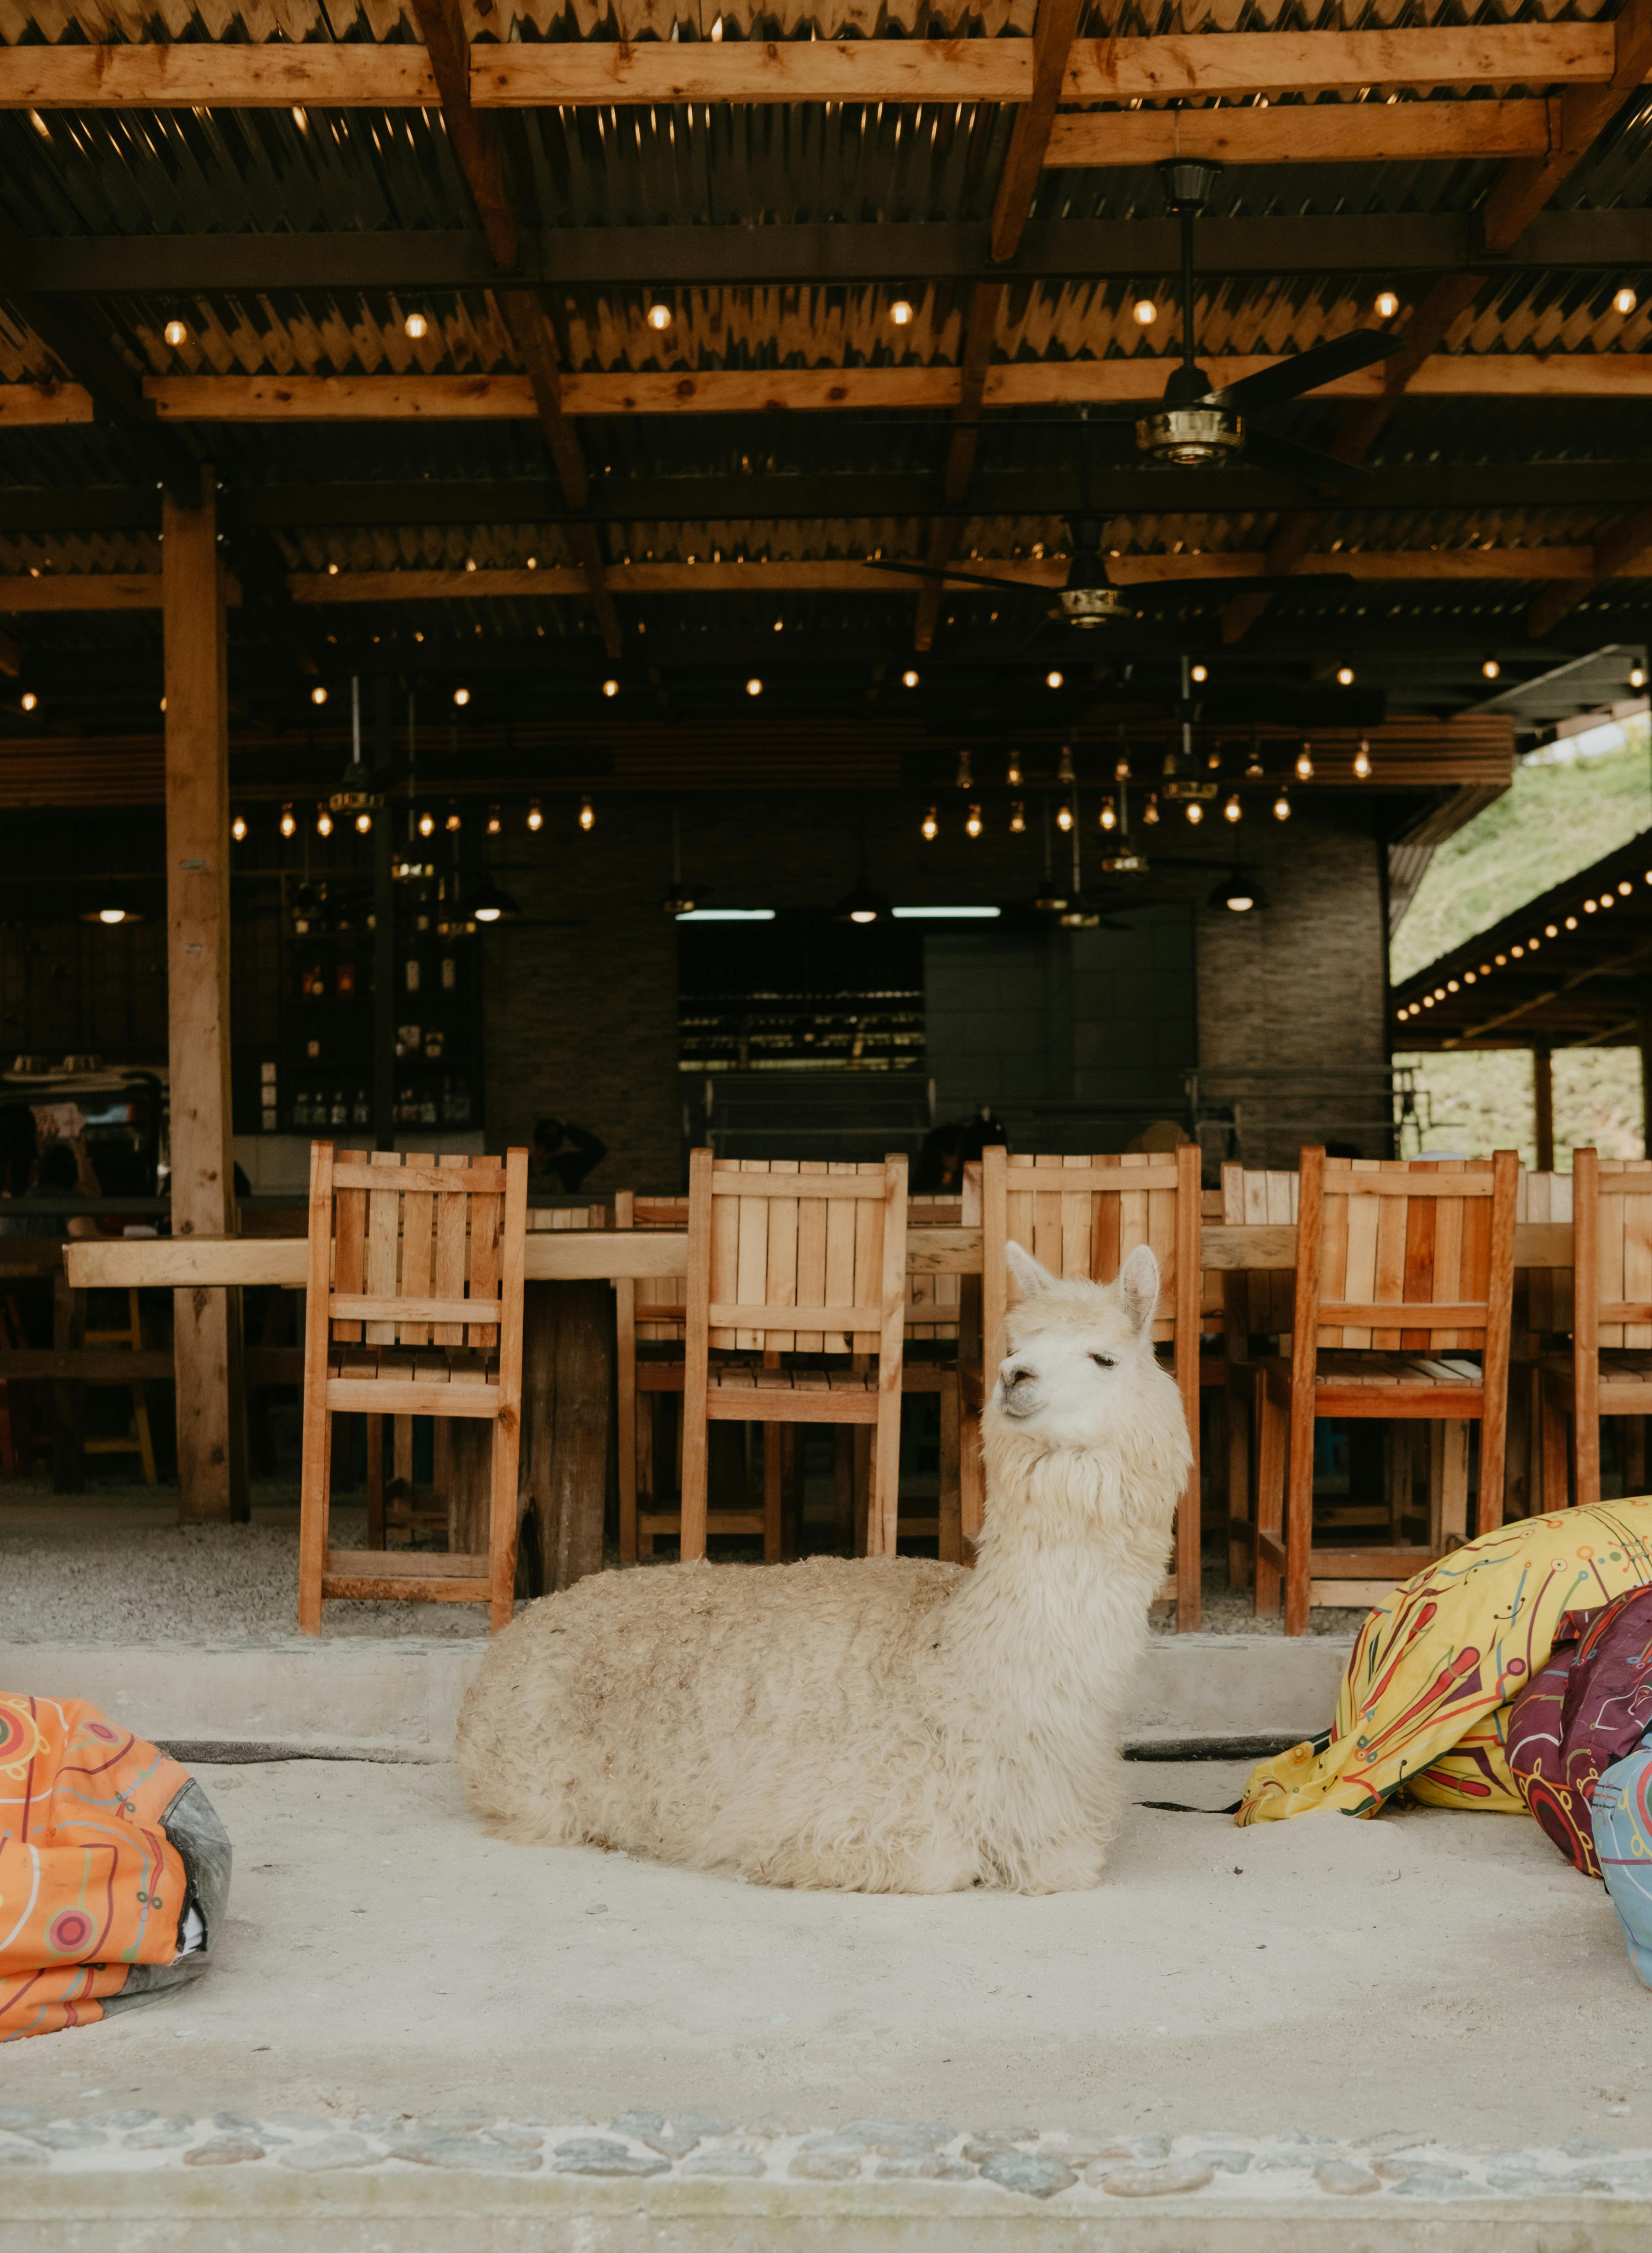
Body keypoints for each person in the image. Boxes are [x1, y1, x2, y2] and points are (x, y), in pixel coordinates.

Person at [530, 1118, 607, 1195]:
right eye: (540, 1145)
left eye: (550, 1147)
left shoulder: (568, 1166)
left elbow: (598, 1150)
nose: (543, 1151)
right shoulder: (524, 1165)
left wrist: (568, 1129)